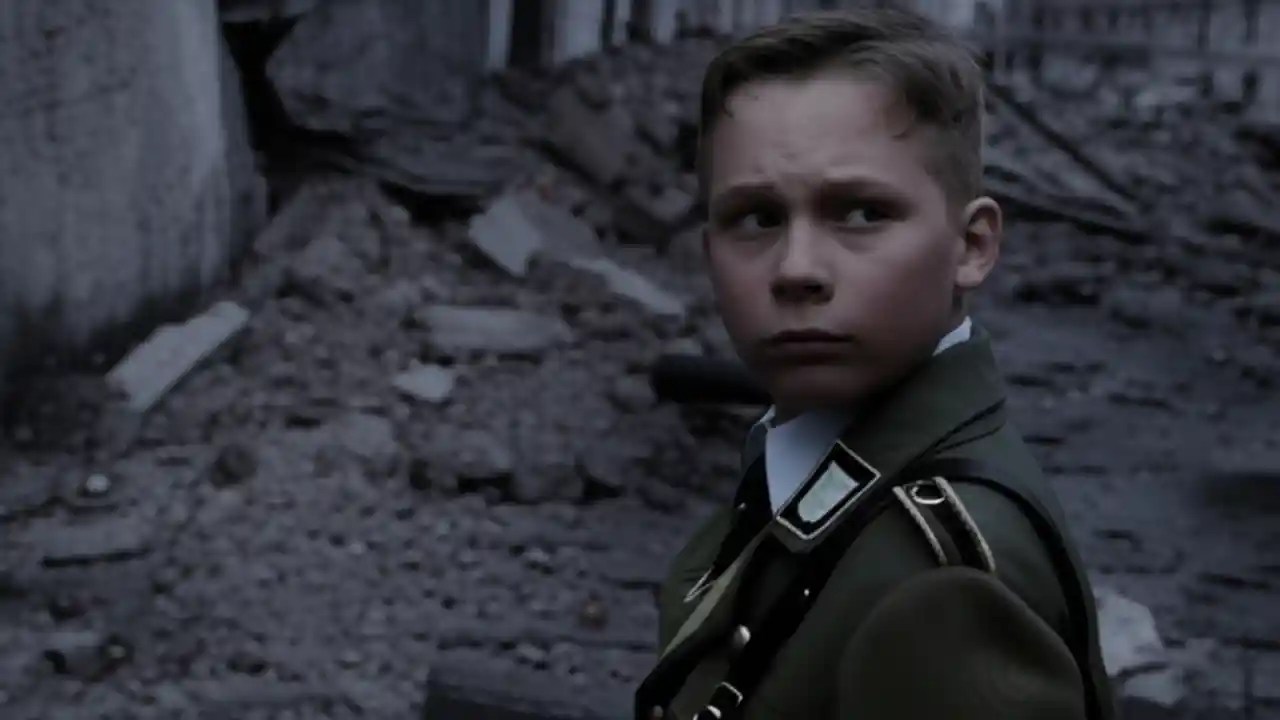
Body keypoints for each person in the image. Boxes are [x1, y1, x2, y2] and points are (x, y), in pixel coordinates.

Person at [635, 8, 1117, 720]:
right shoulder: (809, 458)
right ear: (709, 249)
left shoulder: (942, 589)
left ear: (972, 246)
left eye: (861, 213)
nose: (797, 270)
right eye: (757, 218)